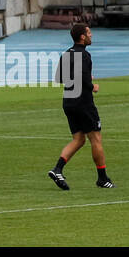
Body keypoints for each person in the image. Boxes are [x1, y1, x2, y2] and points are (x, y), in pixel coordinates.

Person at [48, 24, 112, 190]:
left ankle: (57, 169)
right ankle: (102, 178)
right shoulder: (84, 55)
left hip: (68, 102)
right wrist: (92, 86)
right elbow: (84, 80)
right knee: (96, 139)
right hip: (83, 103)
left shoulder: (66, 54)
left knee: (79, 139)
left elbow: (58, 78)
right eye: (89, 33)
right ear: (82, 37)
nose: (91, 35)